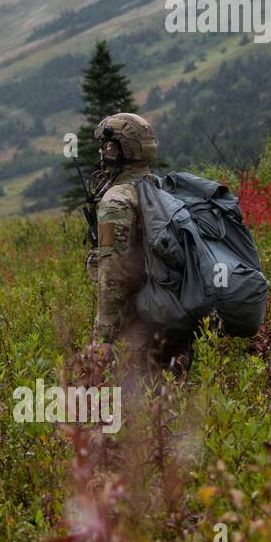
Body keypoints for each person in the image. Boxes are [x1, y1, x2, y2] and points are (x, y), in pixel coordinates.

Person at [84, 113, 193, 379]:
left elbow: (113, 273)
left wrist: (103, 337)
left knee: (136, 411)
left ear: (117, 149)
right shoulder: (161, 190)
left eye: (105, 145)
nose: (101, 150)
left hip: (134, 327)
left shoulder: (116, 201)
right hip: (172, 317)